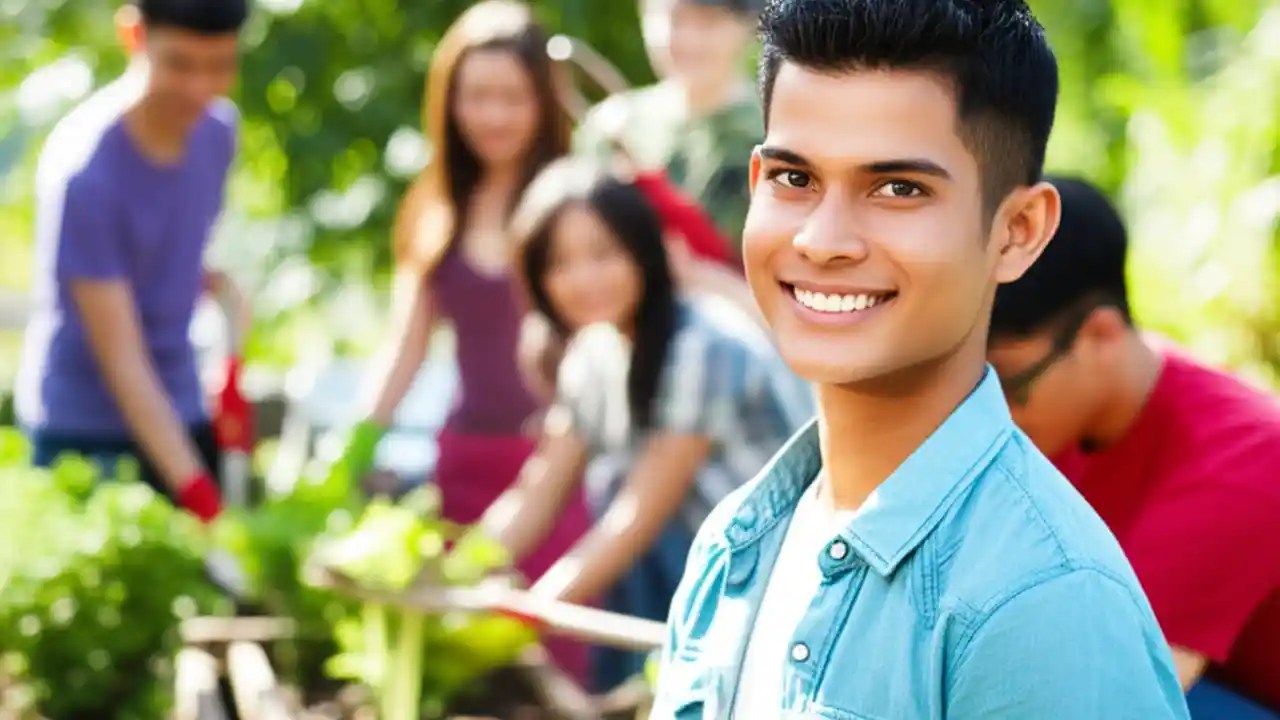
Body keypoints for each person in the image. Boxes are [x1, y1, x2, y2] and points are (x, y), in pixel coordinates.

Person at [652, 0, 1191, 717]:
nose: (823, 239)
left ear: (1018, 230)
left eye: (898, 189)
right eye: (795, 178)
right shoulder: (734, 542)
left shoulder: (1044, 603)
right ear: (756, 185)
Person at [479, 159, 813, 691]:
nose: (582, 279)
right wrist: (459, 568)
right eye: (559, 263)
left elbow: (638, 513)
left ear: (643, 251)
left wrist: (525, 614)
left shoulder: (702, 342)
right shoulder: (593, 352)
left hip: (768, 582)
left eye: (603, 254)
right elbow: (539, 487)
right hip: (685, 571)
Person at [336, 0, 591, 679]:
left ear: (544, 101)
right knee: (457, 670)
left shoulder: (572, 203)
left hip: (555, 470)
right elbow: (405, 346)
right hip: (461, 468)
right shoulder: (435, 207)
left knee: (544, 664)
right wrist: (350, 454)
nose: (495, 116)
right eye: (477, 97)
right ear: (449, 102)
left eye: (513, 97)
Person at [989, 177, 1280, 718]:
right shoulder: (1069, 409)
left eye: (1006, 383)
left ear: (1100, 336)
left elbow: (1113, 700)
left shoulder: (1238, 465)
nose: (986, 411)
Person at [15, 0, 248, 523]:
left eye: (219, 67)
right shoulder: (85, 172)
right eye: (180, 65)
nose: (199, 88)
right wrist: (201, 498)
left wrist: (222, 302)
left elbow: (182, 248)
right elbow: (121, 359)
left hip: (178, 404)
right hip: (86, 429)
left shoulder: (217, 132)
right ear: (134, 35)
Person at [575, 0, 763, 258]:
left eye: (707, 22)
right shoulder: (609, 129)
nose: (688, 39)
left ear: (747, 26)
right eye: (674, 19)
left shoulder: (774, 131)